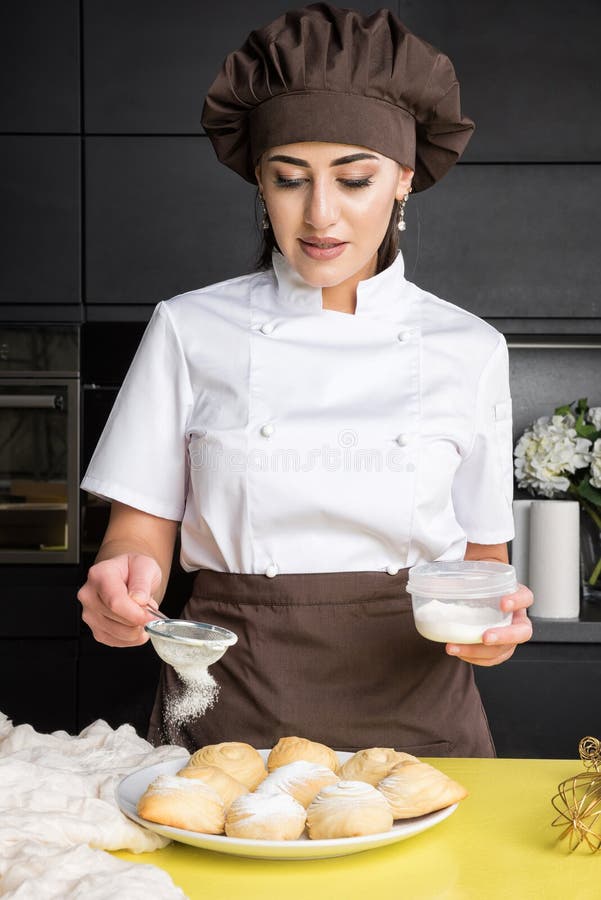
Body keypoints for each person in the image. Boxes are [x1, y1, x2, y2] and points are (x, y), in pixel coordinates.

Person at [77, 3, 533, 756]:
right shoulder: (190, 327)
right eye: (289, 180)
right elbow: (140, 529)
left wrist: (494, 628)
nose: (320, 216)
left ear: (403, 181)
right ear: (259, 179)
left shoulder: (469, 346)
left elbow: (482, 563)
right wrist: (123, 586)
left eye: (354, 179)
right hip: (234, 691)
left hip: (417, 704)